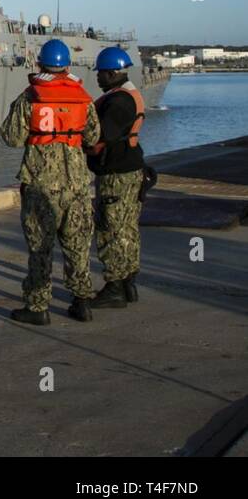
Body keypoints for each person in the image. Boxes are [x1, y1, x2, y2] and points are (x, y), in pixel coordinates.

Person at [0, 38, 101, 324]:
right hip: (78, 184)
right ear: (68, 65)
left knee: (40, 247)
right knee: (78, 245)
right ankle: (82, 302)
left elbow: (12, 137)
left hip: (40, 186)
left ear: (40, 63)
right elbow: (93, 136)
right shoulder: (83, 97)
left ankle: (37, 307)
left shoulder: (30, 96)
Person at [87, 47, 147, 307]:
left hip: (116, 172)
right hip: (131, 168)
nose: (98, 78)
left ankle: (114, 287)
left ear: (112, 73)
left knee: (110, 229)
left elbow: (104, 134)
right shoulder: (129, 95)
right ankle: (128, 282)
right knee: (128, 228)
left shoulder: (117, 101)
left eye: (101, 74)